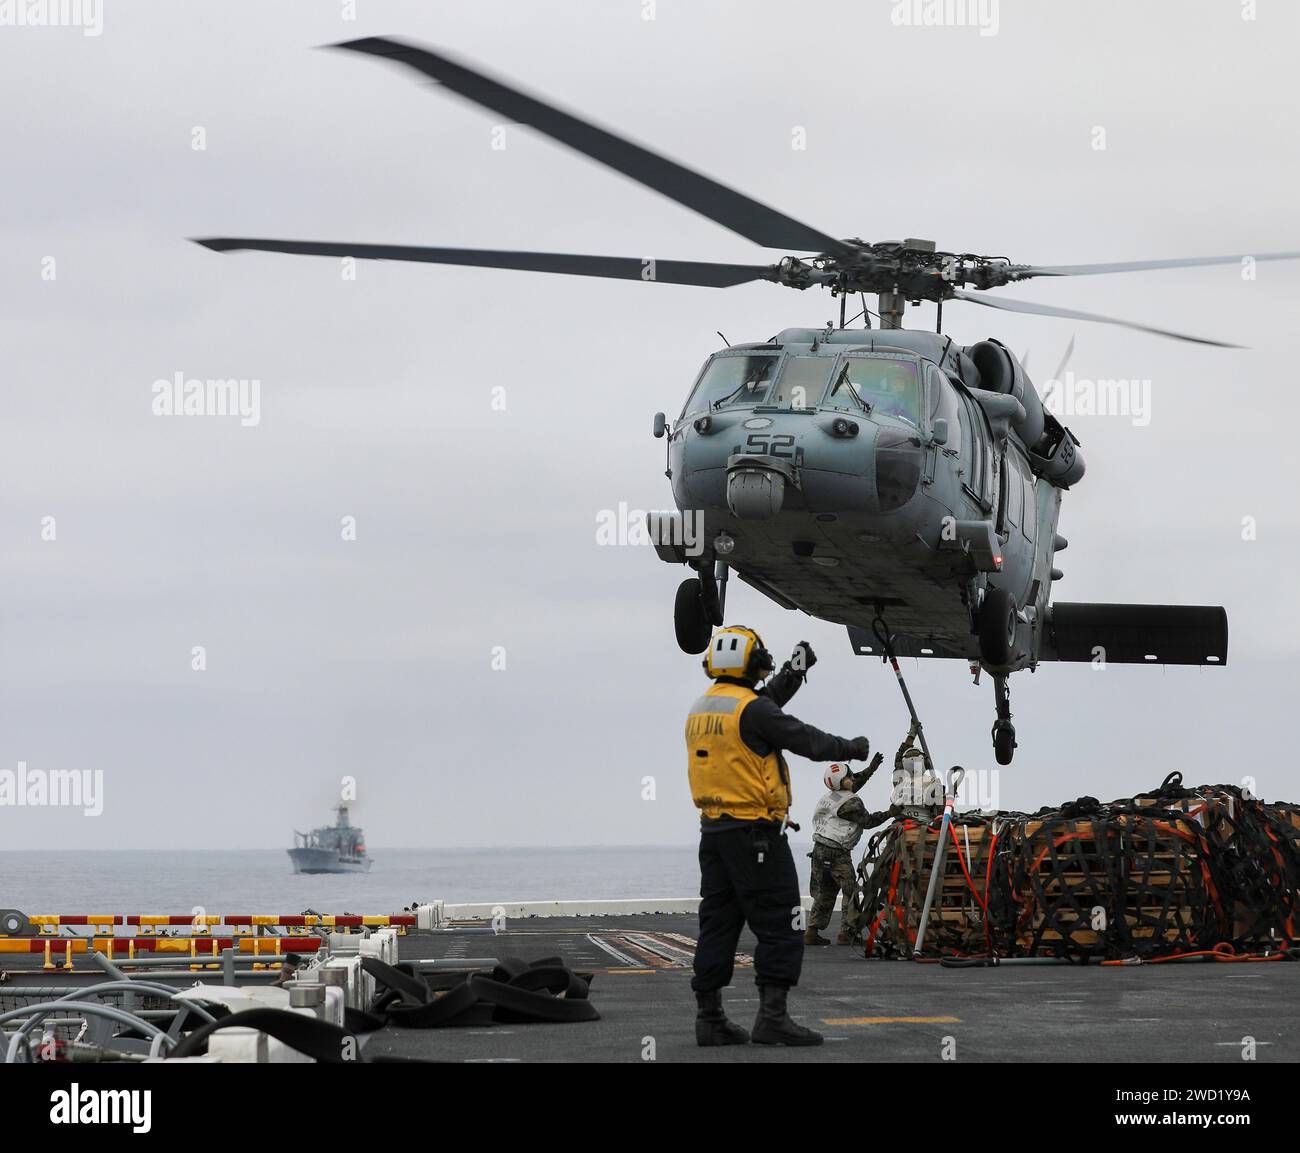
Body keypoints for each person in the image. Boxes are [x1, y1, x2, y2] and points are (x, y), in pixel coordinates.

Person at [686, 625, 872, 1047]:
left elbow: (762, 706)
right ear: (752, 664)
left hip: (714, 834)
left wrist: (793, 672)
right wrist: (851, 748)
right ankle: (773, 1017)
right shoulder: (753, 711)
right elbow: (802, 738)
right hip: (756, 838)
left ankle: (709, 1018)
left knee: (718, 923)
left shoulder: (706, 707)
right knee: (781, 924)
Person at [807, 757, 894, 945]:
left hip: (819, 850)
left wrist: (872, 768)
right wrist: (891, 813)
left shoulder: (830, 797)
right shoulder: (851, 803)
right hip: (837, 852)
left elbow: (854, 782)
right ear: (842, 781)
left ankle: (812, 931)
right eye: (849, 776)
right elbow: (868, 821)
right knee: (851, 891)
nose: (853, 777)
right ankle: (847, 933)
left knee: (825, 892)